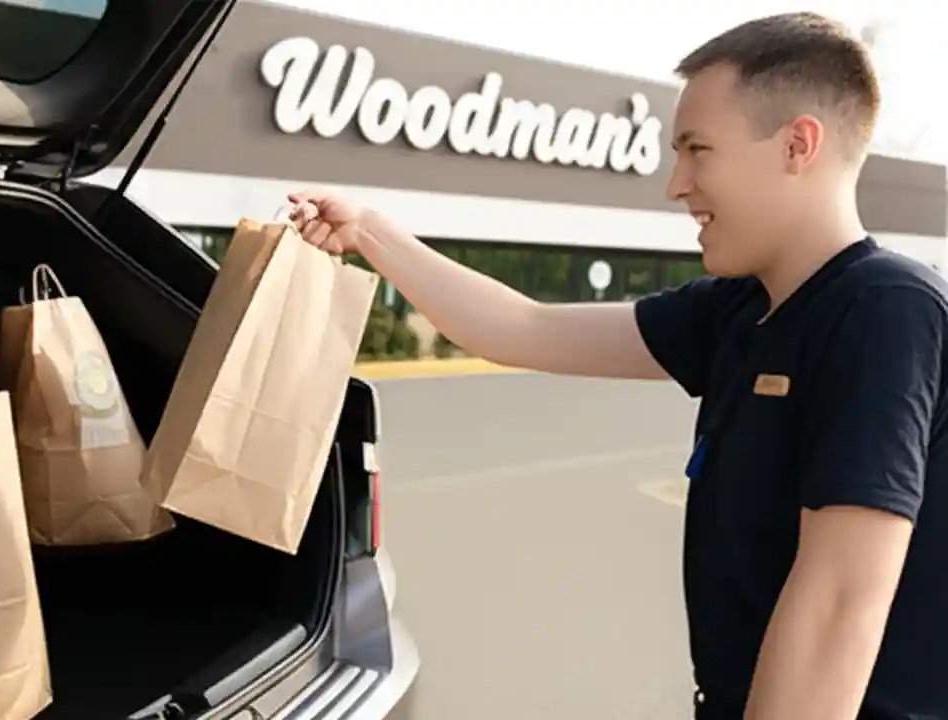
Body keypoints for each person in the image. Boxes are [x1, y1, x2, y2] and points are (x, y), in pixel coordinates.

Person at [287, 12, 948, 720]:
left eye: (697, 150)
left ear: (797, 145)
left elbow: (840, 601)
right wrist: (372, 234)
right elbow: (524, 328)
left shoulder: (885, 312)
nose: (676, 184)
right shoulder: (737, 311)